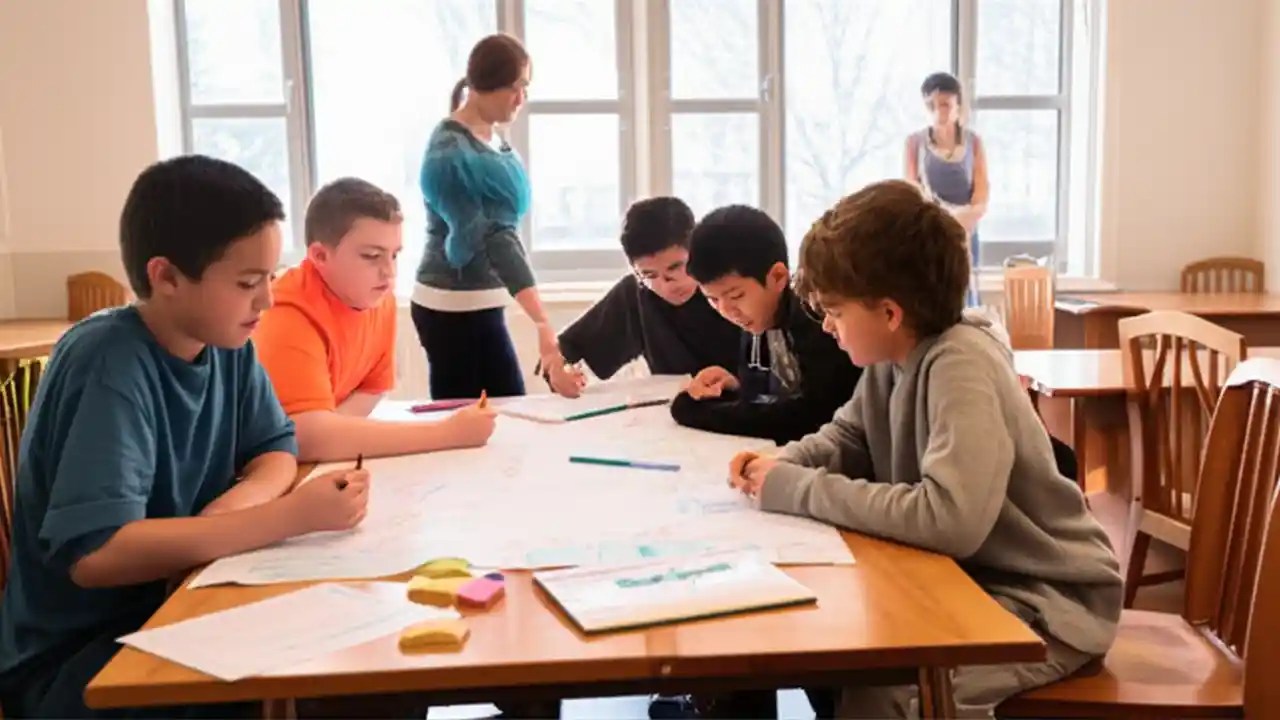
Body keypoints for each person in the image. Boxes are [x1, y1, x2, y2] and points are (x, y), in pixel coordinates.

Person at [729, 180, 1121, 718]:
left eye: (836, 311)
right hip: (974, 583)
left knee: (890, 692)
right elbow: (847, 437)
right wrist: (785, 463)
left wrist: (797, 488)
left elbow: (949, 519)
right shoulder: (891, 358)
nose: (827, 326)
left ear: (889, 313)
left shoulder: (961, 365)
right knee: (850, 659)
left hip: (1048, 604)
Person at [0, 156, 370, 718]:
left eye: (270, 278)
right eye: (248, 283)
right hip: (83, 660)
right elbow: (97, 555)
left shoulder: (229, 344)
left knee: (362, 673)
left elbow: (275, 448)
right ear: (166, 277)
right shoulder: (110, 363)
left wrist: (234, 508)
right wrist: (286, 517)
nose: (266, 301)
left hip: (182, 604)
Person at [253, 178, 495, 462]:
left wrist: (333, 431)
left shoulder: (378, 298)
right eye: (371, 256)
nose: (389, 272)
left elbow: (372, 388)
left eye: (394, 255)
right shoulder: (286, 311)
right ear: (320, 255)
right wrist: (448, 434)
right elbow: (305, 439)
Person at [413, 33, 554, 400]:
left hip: (483, 302)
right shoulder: (448, 154)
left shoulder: (492, 138)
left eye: (526, 87)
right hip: (449, 306)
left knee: (510, 408)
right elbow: (491, 237)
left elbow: (504, 228)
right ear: (483, 87)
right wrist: (541, 320)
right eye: (515, 88)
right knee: (462, 418)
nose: (522, 99)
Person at [670, 205, 861, 444]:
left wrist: (696, 411)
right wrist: (734, 388)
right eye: (712, 299)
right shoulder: (758, 316)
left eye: (736, 296)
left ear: (778, 277)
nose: (726, 311)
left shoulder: (817, 320)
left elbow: (811, 418)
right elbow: (775, 400)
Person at [540, 196, 741, 397]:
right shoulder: (637, 293)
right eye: (650, 275)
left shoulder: (734, 283)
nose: (666, 286)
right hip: (679, 413)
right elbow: (568, 348)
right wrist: (561, 366)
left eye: (676, 267)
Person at [905, 71, 989, 306]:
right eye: (931, 105)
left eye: (945, 104)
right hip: (930, 231)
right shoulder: (914, 143)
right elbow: (912, 192)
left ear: (957, 105)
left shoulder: (974, 144)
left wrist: (963, 218)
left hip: (965, 231)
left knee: (964, 295)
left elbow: (981, 196)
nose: (938, 111)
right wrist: (939, 220)